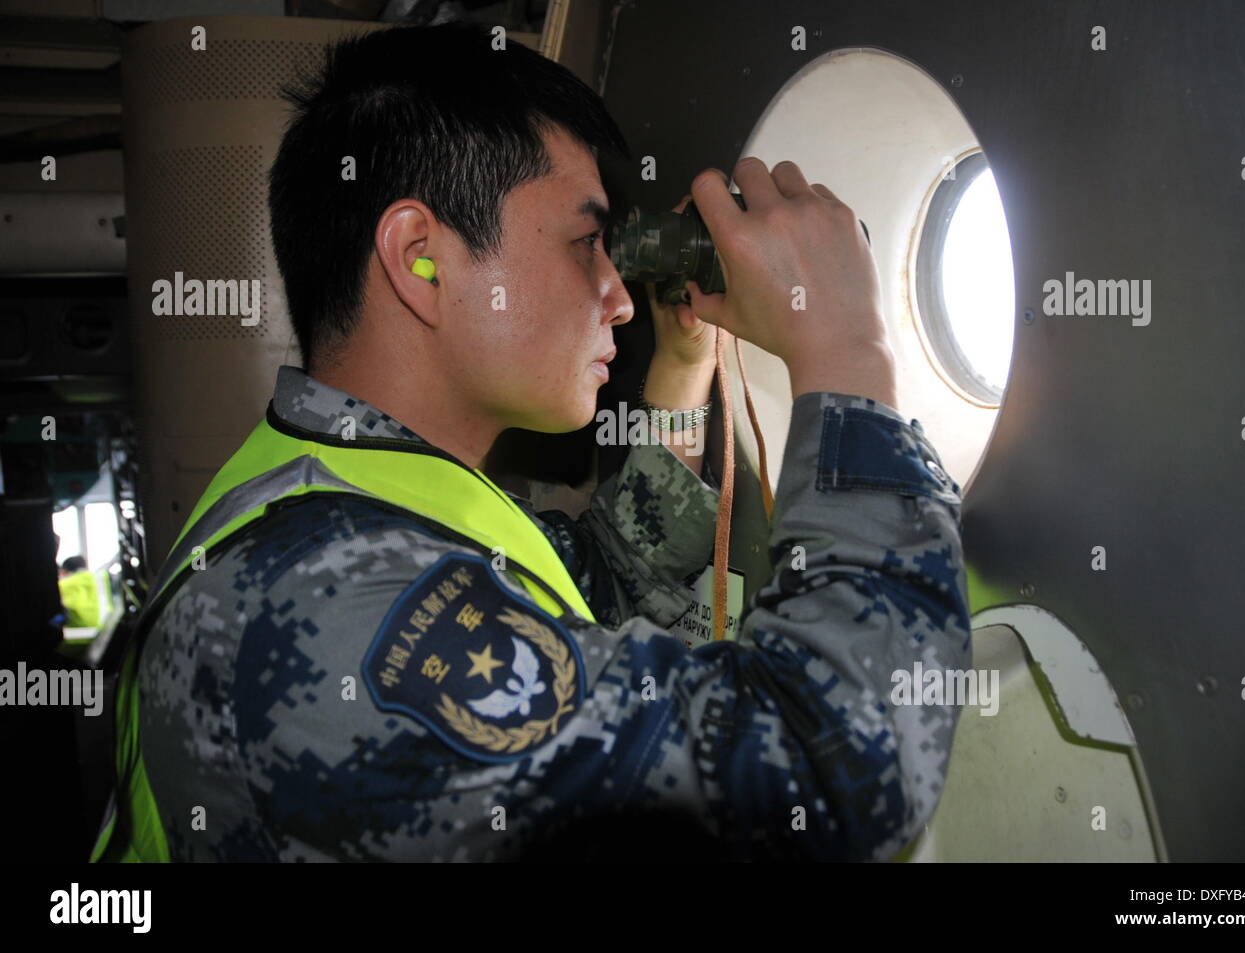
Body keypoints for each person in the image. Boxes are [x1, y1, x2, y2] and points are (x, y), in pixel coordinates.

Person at [92, 21, 969, 863]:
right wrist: (850, 350)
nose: (618, 296)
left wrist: (683, 358)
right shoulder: (331, 612)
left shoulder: (349, 506)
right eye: (586, 241)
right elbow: (835, 764)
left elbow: (599, 579)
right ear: (421, 258)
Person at [57, 555, 107, 631]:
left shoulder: (65, 584)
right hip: (100, 626)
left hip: (77, 630)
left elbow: (70, 608)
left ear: (64, 571)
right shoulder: (99, 578)